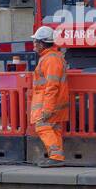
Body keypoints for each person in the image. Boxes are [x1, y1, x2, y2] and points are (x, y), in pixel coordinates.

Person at [28, 25, 69, 167]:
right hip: (54, 103)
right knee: (54, 129)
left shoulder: (50, 59)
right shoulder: (50, 57)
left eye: (36, 42)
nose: (34, 45)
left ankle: (56, 157)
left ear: (42, 43)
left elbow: (52, 86)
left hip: (50, 104)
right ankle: (57, 156)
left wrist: (47, 109)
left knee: (42, 126)